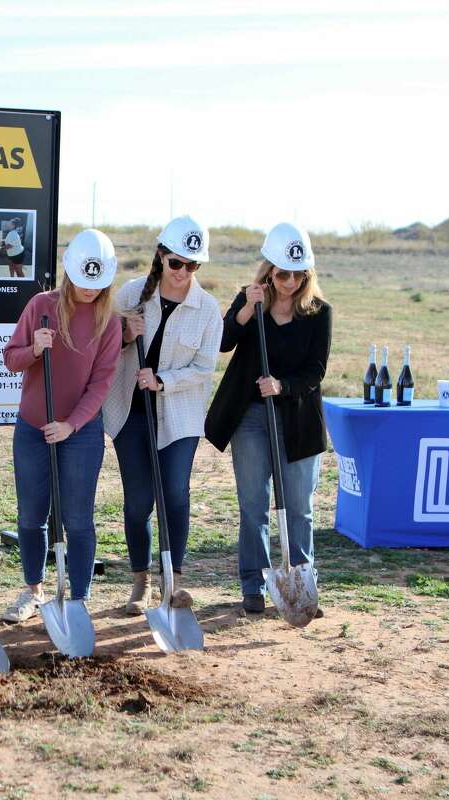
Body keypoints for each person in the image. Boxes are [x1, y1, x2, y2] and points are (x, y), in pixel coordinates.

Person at [204, 222, 332, 615]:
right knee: (254, 504)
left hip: (297, 418)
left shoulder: (319, 312)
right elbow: (223, 342)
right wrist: (245, 310)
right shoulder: (250, 301)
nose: (290, 281)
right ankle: (254, 583)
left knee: (298, 506)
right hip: (251, 418)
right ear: (268, 270)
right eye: (282, 273)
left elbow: (316, 371)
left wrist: (282, 385)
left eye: (298, 274)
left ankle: (302, 582)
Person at [102, 215, 222, 615]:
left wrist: (163, 380)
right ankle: (141, 581)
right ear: (161, 256)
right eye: (176, 263)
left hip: (179, 415)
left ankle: (173, 582)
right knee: (138, 502)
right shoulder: (131, 295)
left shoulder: (207, 308)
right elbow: (100, 346)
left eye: (192, 266)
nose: (183, 273)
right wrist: (122, 334)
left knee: (174, 494)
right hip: (131, 412)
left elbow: (205, 369)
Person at [0, 229, 121, 622]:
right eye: (85, 282)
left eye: (98, 283)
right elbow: (11, 359)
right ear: (70, 272)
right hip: (33, 428)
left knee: (78, 518)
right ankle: (32, 590)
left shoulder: (110, 321)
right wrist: (34, 348)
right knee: (31, 516)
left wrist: (71, 425)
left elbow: (101, 382)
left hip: (79, 432)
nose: (90, 290)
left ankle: (78, 598)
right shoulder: (41, 306)